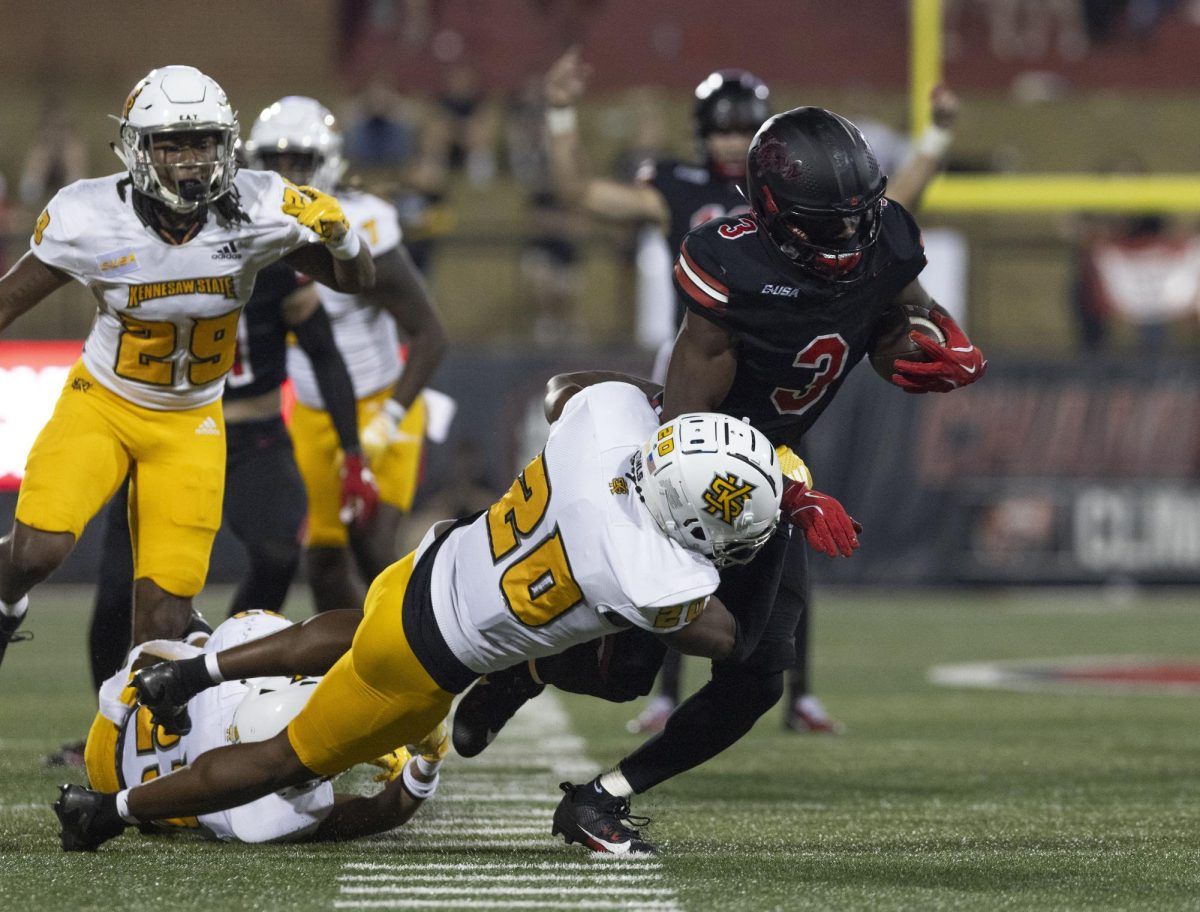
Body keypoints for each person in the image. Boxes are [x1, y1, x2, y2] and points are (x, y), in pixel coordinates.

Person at [454, 108, 988, 854]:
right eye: (825, 225)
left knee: (760, 674)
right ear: (770, 215)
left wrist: (935, 336)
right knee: (629, 671)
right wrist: (790, 489)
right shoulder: (733, 267)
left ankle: (601, 800)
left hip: (773, 466)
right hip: (693, 472)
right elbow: (686, 437)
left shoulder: (886, 234)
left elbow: (895, 307)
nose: (849, 238)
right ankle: (528, 664)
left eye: (858, 218)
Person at [52, 384, 783, 855]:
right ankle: (109, 811)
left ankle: (194, 672)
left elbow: (565, 394)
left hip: (431, 564)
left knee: (348, 629)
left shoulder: (609, 424)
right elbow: (725, 637)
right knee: (284, 761)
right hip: (426, 663)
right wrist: (775, 539)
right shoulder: (640, 569)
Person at [543, 49, 960, 736]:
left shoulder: (817, 193)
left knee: (788, 524)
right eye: (721, 128)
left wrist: (936, 140)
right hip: (702, 359)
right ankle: (660, 685)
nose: (733, 141)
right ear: (701, 133)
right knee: (679, 522)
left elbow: (888, 211)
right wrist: (560, 113)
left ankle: (792, 686)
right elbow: (580, 195)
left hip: (779, 368)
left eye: (745, 128)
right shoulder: (679, 190)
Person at [0, 66, 374, 671]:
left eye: (202, 142)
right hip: (104, 404)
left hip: (191, 421)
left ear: (225, 146)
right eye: (170, 143)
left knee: (162, 624)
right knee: (38, 549)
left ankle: (134, 752)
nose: (189, 159)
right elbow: (7, 302)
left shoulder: (260, 206)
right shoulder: (88, 215)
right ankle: (3, 598)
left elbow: (356, 282)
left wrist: (343, 240)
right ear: (136, 149)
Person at [244, 96, 447, 614]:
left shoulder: (362, 224)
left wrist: (389, 418)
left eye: (300, 162)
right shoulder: (251, 226)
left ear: (327, 162)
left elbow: (429, 335)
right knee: (324, 564)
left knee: (373, 544)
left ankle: (423, 656)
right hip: (312, 413)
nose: (287, 175)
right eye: (275, 162)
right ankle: (353, 669)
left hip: (380, 402)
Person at [77, 608, 448, 845]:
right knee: (233, 641)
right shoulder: (258, 819)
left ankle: (196, 641)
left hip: (120, 733)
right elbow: (379, 813)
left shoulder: (257, 811)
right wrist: (428, 763)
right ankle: (196, 642)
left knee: (225, 642)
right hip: (123, 753)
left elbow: (380, 813)